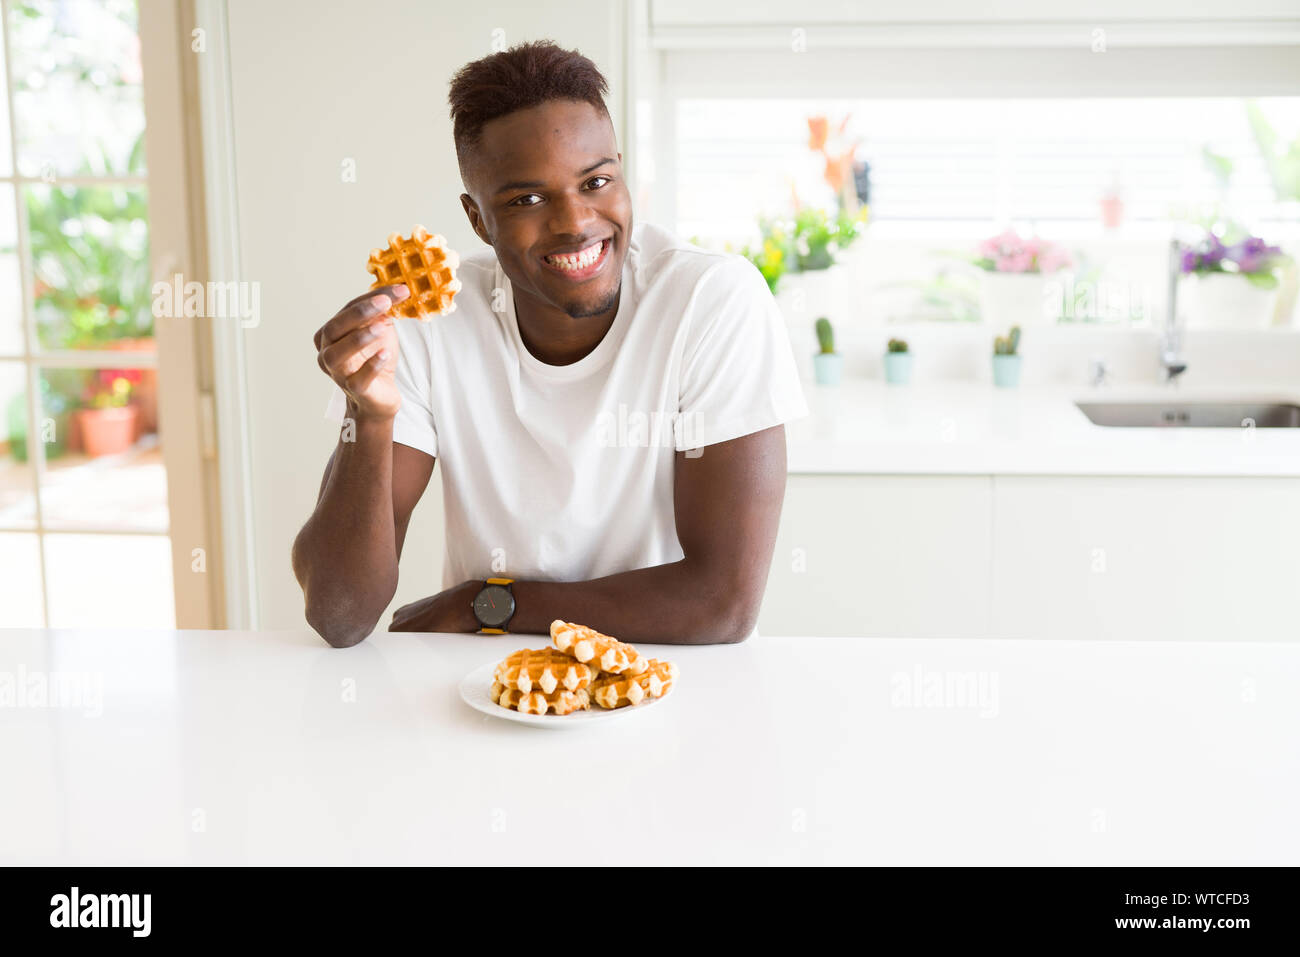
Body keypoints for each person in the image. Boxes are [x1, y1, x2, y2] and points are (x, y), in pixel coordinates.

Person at [294, 40, 807, 647]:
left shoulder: (709, 301)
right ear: (477, 219)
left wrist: (489, 604)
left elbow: (722, 606)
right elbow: (339, 614)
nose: (574, 222)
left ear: (620, 171)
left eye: (595, 181)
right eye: (526, 199)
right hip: (480, 691)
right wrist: (370, 416)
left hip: (661, 679)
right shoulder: (425, 326)